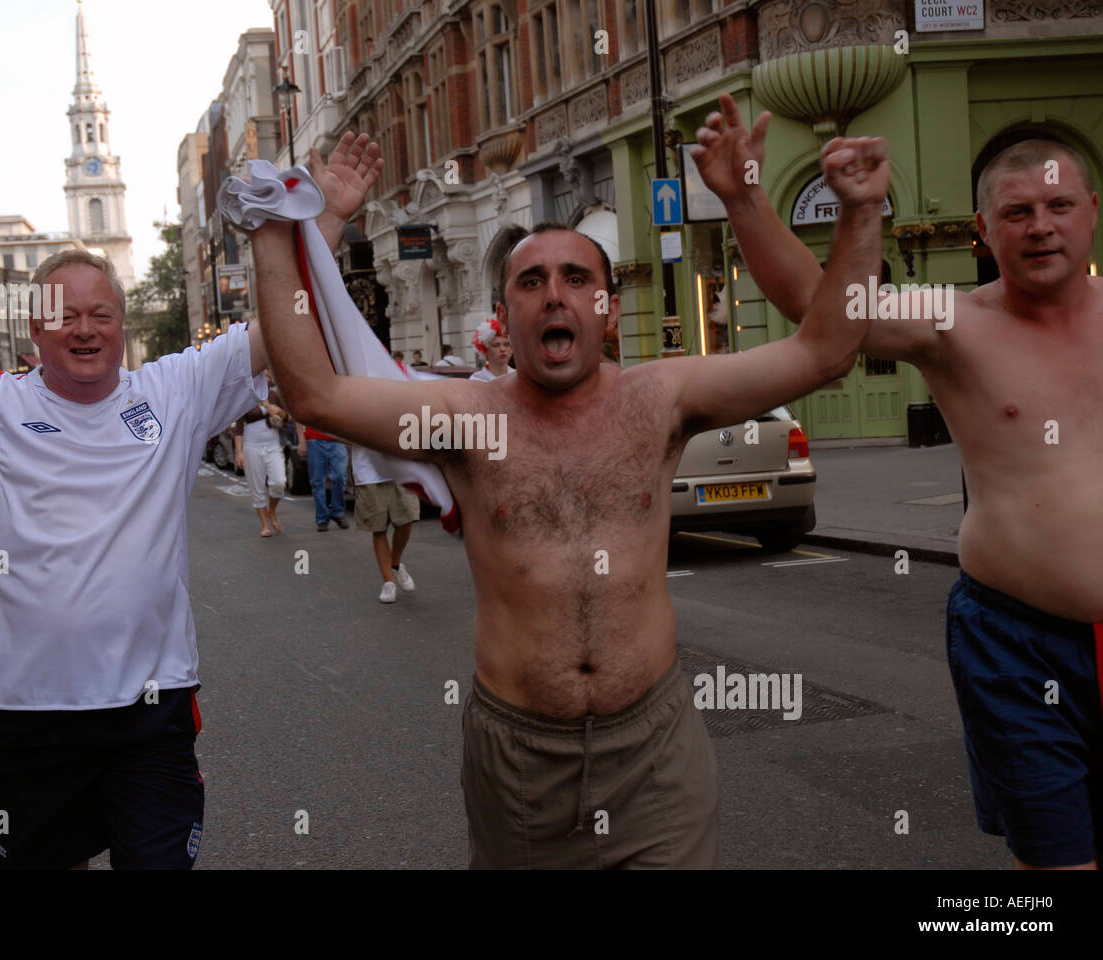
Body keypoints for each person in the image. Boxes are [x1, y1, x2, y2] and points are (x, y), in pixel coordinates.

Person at [249, 129, 888, 867]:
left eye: (577, 279)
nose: (555, 295)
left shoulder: (663, 399)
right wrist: (279, 228)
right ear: (506, 316)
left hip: (656, 758)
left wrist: (861, 212)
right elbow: (314, 393)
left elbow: (826, 351)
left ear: (607, 310)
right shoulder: (465, 419)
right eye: (531, 283)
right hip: (521, 764)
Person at [0, 153, 311, 869]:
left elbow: (282, 327)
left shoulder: (170, 392)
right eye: (63, 315)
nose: (84, 328)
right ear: (33, 333)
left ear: (121, 325)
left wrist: (325, 218)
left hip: (151, 711)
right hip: (26, 717)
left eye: (100, 313)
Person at [692, 93, 1103, 870]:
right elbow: (819, 307)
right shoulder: (952, 322)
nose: (1040, 225)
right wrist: (747, 197)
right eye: (1017, 212)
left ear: (1091, 210)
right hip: (1020, 641)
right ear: (984, 230)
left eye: (1058, 205)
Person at [352, 462, 419, 603]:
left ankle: (394, 564)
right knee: (378, 528)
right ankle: (389, 582)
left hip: (400, 469)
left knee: (407, 520)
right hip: (368, 473)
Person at [235, 371, 289, 537]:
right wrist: (239, 453)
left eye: (267, 376)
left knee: (279, 482)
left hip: (272, 444)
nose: (265, 379)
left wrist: (278, 411)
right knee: (256, 486)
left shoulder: (273, 395)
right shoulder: (245, 398)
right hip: (252, 446)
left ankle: (271, 510)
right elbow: (238, 428)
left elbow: (286, 418)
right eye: (261, 376)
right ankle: (265, 525)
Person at [305, 421, 350, 533]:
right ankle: (322, 518)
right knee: (317, 481)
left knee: (340, 476)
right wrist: (301, 441)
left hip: (337, 439)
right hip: (314, 439)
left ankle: (337, 511)